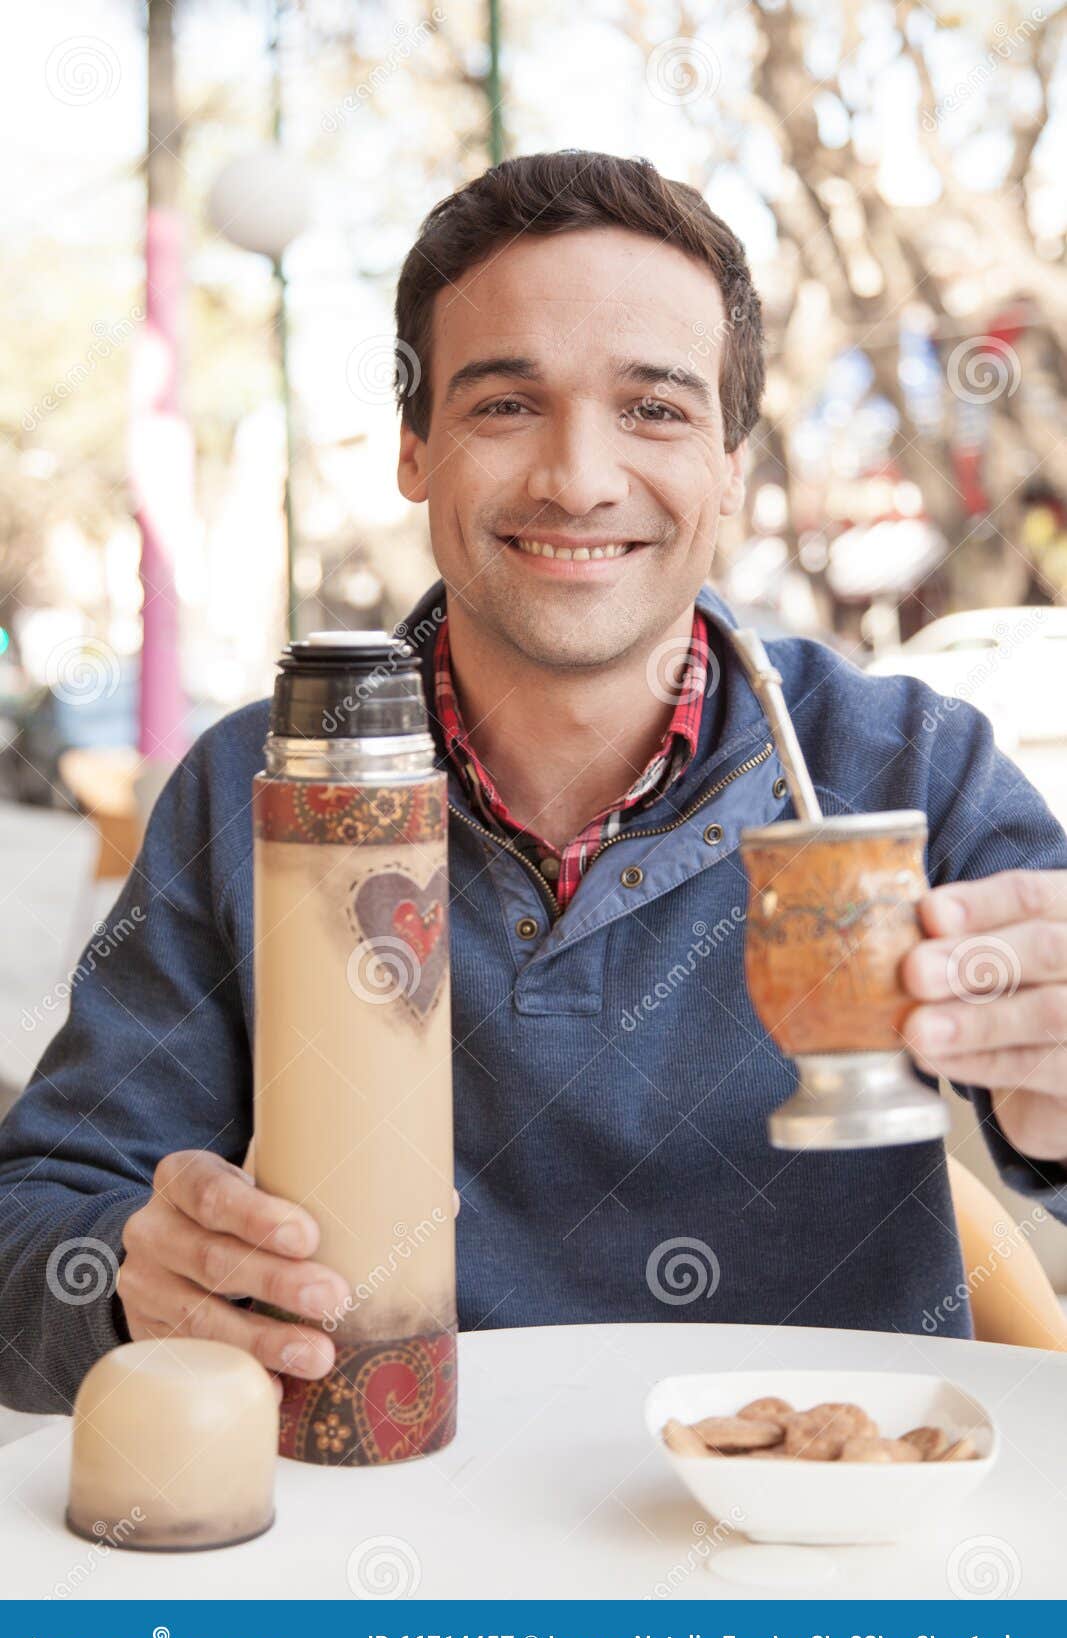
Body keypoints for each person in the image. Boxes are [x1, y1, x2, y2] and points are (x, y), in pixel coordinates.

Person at [3, 150, 1067, 1418]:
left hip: (827, 1539)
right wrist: (131, 1282)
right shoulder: (255, 787)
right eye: (506, 405)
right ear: (414, 446)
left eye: (655, 410)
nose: (577, 475)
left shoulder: (903, 767)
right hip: (392, 1541)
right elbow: (34, 1238)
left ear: (731, 461)